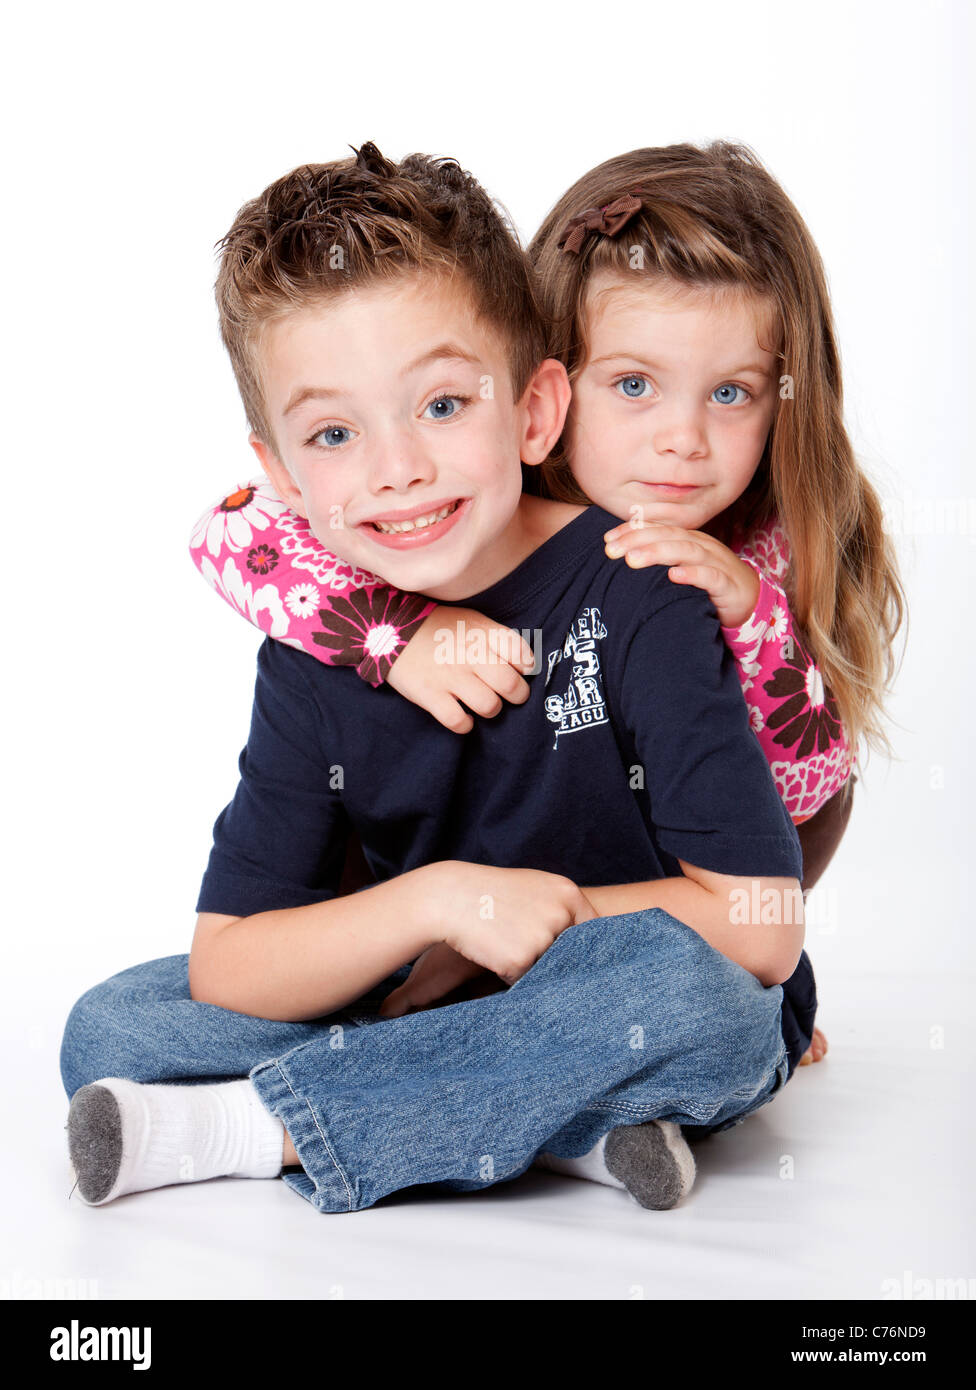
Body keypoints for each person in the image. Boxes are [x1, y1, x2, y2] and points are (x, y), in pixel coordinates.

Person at [61, 142, 807, 1216]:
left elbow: (760, 920)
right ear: (274, 473)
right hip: (424, 989)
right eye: (331, 432)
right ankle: (554, 1125)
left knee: (707, 1007)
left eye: (444, 406)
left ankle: (255, 1128)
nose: (395, 467)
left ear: (535, 411)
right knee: (114, 1024)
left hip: (626, 984)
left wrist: (526, 928)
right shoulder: (321, 646)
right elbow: (228, 963)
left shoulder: (640, 590)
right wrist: (441, 907)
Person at [184, 142, 905, 1066]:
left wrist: (755, 618)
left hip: (662, 919)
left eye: (731, 394)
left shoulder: (700, 574)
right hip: (418, 924)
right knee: (125, 1020)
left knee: (718, 1011)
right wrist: (397, 635)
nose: (680, 442)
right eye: (635, 385)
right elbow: (236, 531)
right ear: (551, 398)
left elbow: (787, 843)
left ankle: (314, 1117)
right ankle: (564, 1096)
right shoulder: (380, 560)